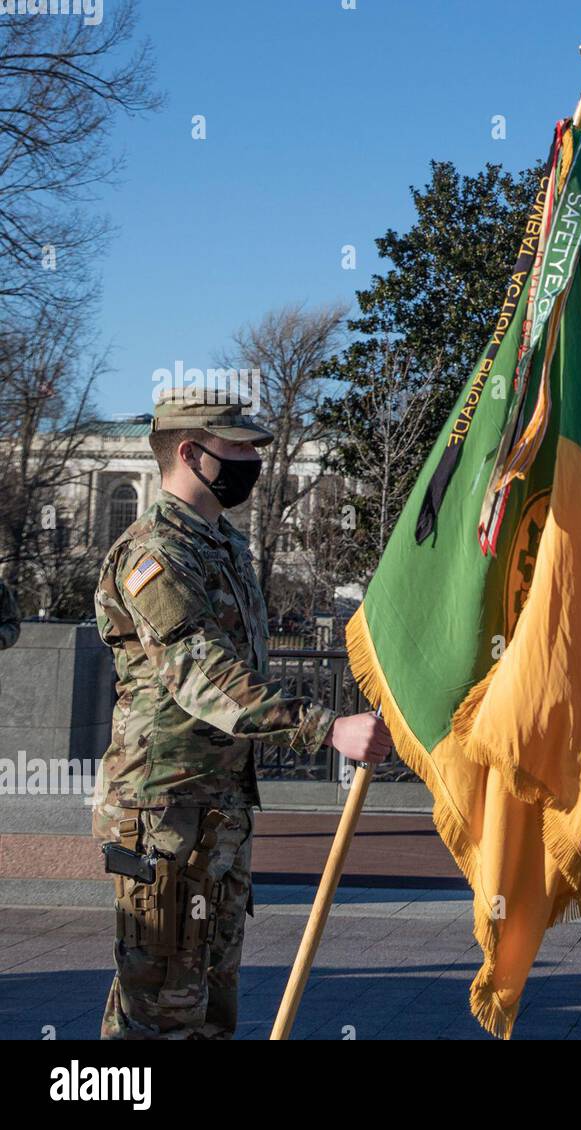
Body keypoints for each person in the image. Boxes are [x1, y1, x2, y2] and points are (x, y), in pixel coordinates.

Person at [93, 388, 392, 1039]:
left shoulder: (224, 547)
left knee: (209, 1009)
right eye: (240, 447)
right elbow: (205, 678)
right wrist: (326, 726)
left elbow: (244, 673)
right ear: (190, 452)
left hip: (218, 812)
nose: (254, 459)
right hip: (164, 815)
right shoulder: (155, 555)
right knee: (161, 1014)